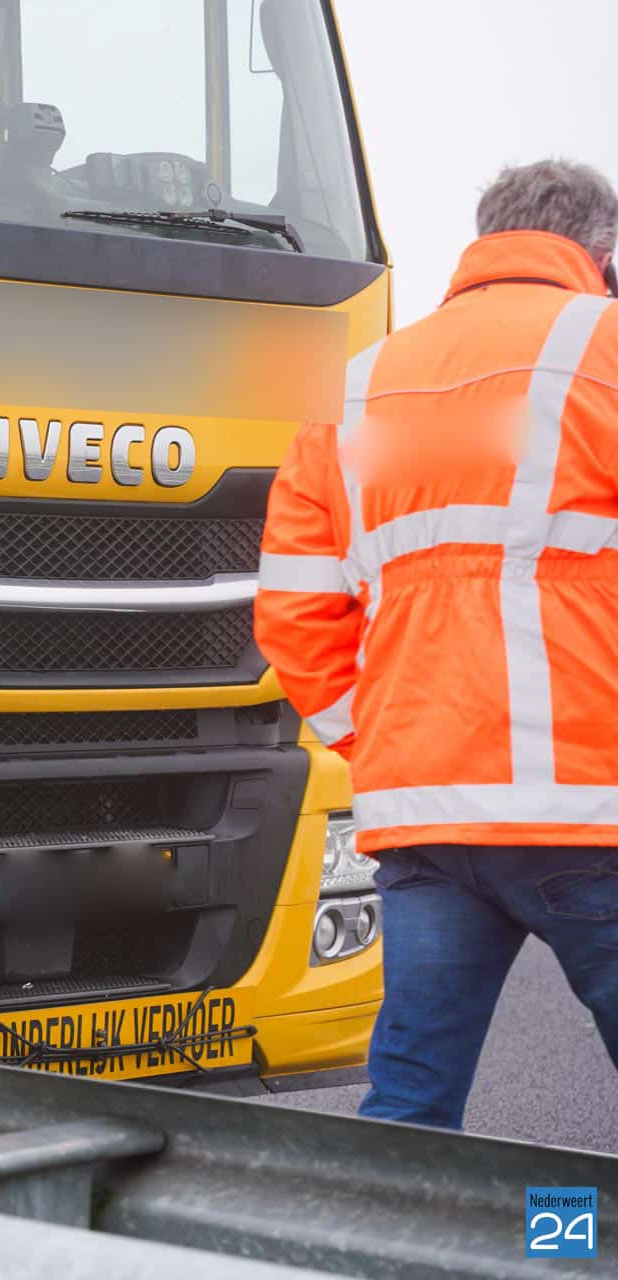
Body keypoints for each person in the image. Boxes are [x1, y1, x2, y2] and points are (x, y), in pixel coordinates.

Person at [255, 159, 618, 1130]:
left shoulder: (366, 386)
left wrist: (375, 747)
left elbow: (293, 611)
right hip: (590, 812)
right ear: (602, 255)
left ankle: (426, 1253)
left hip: (427, 814)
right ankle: (566, 1243)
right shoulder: (608, 353)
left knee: (413, 1105)